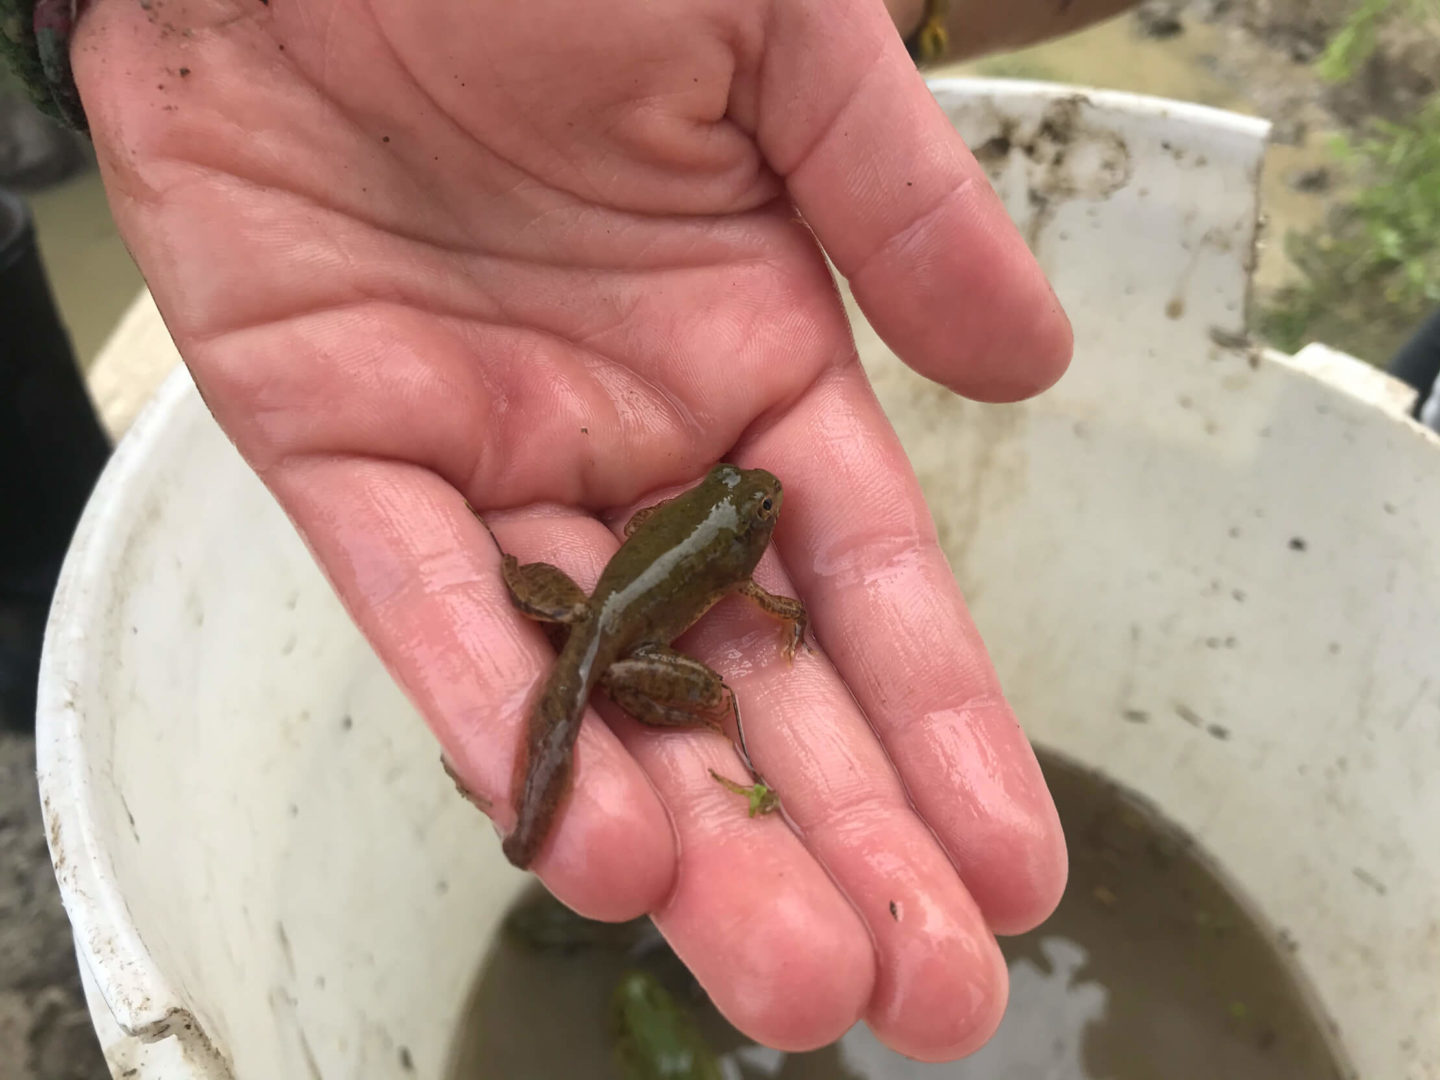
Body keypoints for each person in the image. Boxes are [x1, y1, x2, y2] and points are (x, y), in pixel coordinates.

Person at [8, 0, 1141, 1063]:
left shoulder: (718, 542)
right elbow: (753, 593)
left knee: (588, 660)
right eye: (751, 505)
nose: (757, 506)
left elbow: (733, 571)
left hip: (592, 618)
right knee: (723, 697)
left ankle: (536, 735)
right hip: (614, 638)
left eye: (751, 507)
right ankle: (554, 765)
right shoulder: (740, 566)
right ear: (728, 526)